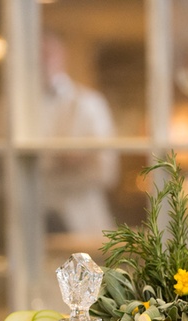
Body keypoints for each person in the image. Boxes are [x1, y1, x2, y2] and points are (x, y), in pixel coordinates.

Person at [39, 31, 118, 234]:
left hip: (84, 222)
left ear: (62, 54)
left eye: (47, 53)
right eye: (35, 53)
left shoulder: (90, 103)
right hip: (30, 223)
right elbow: (6, 173)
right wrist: (62, 162)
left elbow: (106, 171)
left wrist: (45, 165)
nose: (41, 59)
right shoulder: (8, 108)